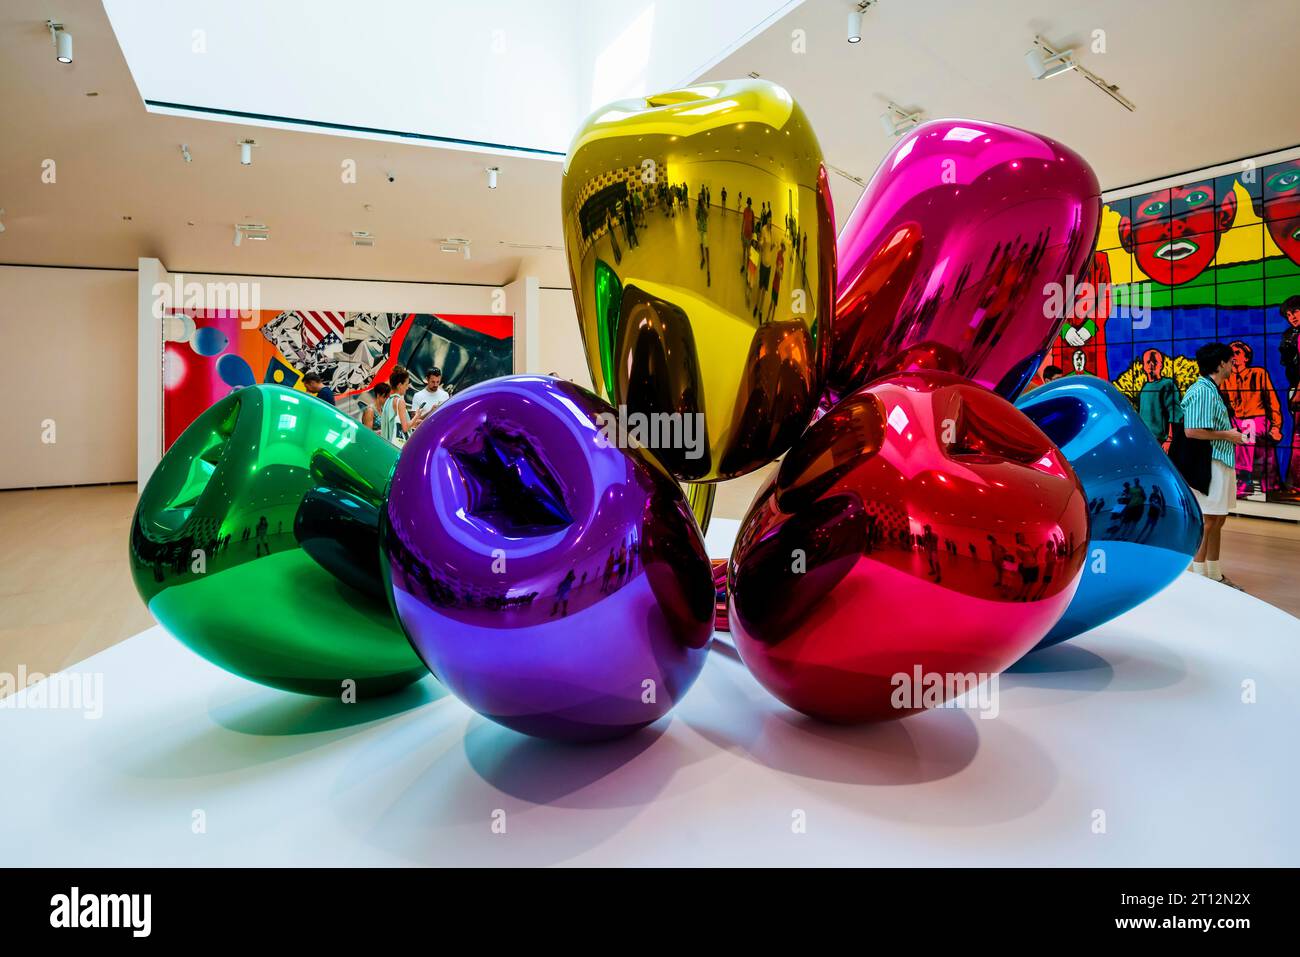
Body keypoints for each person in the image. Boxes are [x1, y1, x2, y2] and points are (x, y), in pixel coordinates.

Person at [1177, 342, 1250, 587]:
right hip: (1210, 463)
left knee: (1218, 519)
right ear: (1220, 364)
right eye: (1230, 361)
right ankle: (1200, 578)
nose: (1232, 366)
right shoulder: (1203, 391)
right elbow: (1192, 431)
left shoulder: (1212, 389)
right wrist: (1229, 435)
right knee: (1209, 520)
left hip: (1220, 461)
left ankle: (1214, 574)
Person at [1223, 340, 1282, 496]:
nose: (1233, 357)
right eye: (1231, 354)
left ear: (1246, 358)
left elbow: (1272, 402)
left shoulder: (1258, 373)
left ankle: (1244, 479)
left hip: (1258, 419)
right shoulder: (1226, 378)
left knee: (1246, 430)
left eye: (1237, 353)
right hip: (1238, 420)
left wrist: (1276, 426)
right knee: (1238, 430)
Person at [1137, 349, 1181, 446]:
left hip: (1161, 442)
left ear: (1161, 365)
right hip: (1145, 440)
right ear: (1144, 366)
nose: (1151, 364)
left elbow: (1174, 414)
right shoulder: (1144, 388)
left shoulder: (1168, 384)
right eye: (1148, 362)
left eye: (1155, 361)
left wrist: (1169, 440)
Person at [380, 369, 418, 446]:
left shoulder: (388, 401)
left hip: (388, 443)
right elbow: (405, 428)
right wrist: (417, 416)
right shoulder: (400, 401)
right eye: (406, 384)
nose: (407, 388)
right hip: (398, 445)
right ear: (400, 385)